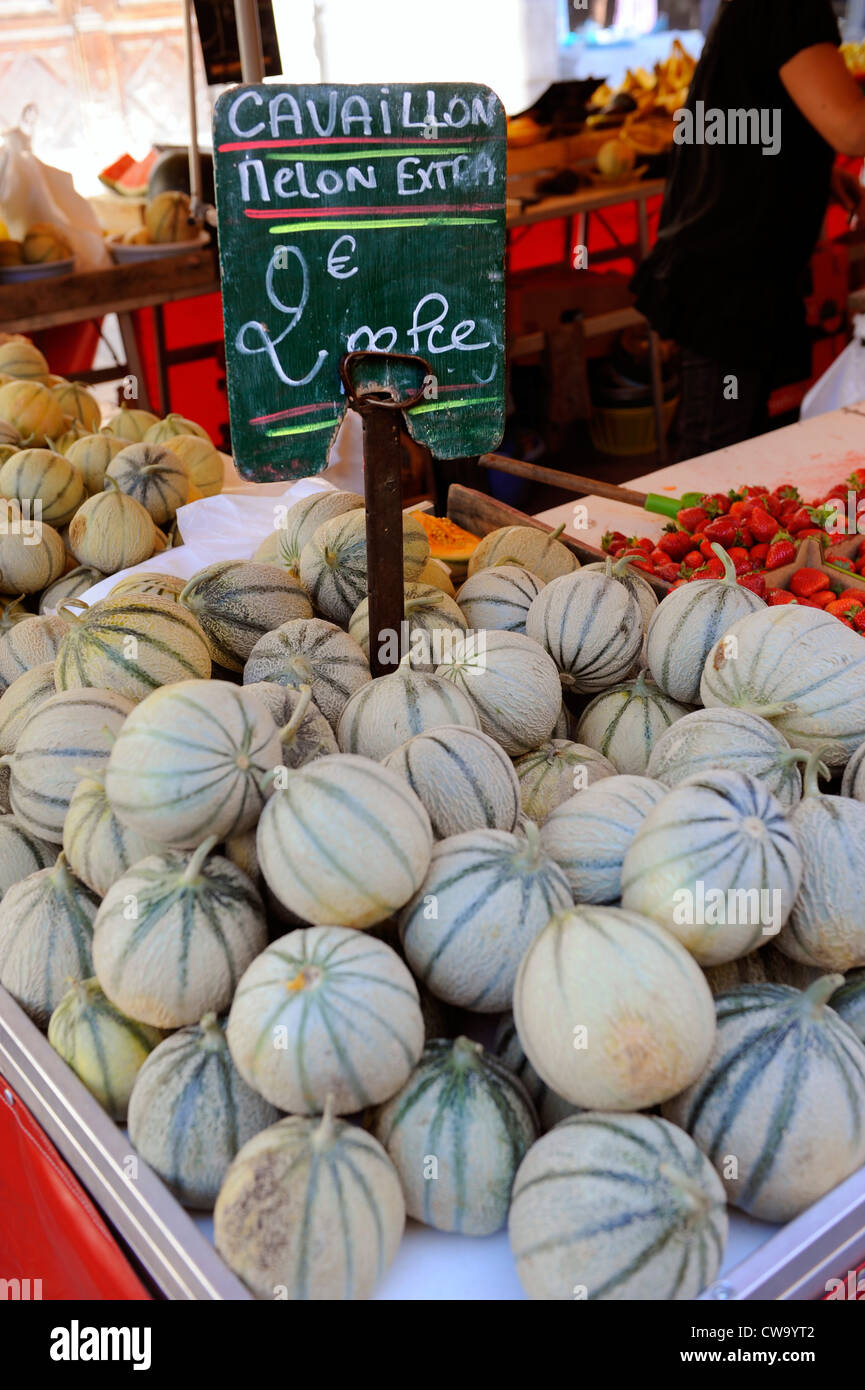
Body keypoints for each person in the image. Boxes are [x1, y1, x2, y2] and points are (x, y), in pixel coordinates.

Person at [632, 0, 865, 460]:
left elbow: (760, 111)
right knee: (715, 469)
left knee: (741, 458)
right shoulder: (787, 7)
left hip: (737, 271)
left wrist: (813, 172)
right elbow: (851, 129)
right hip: (728, 281)